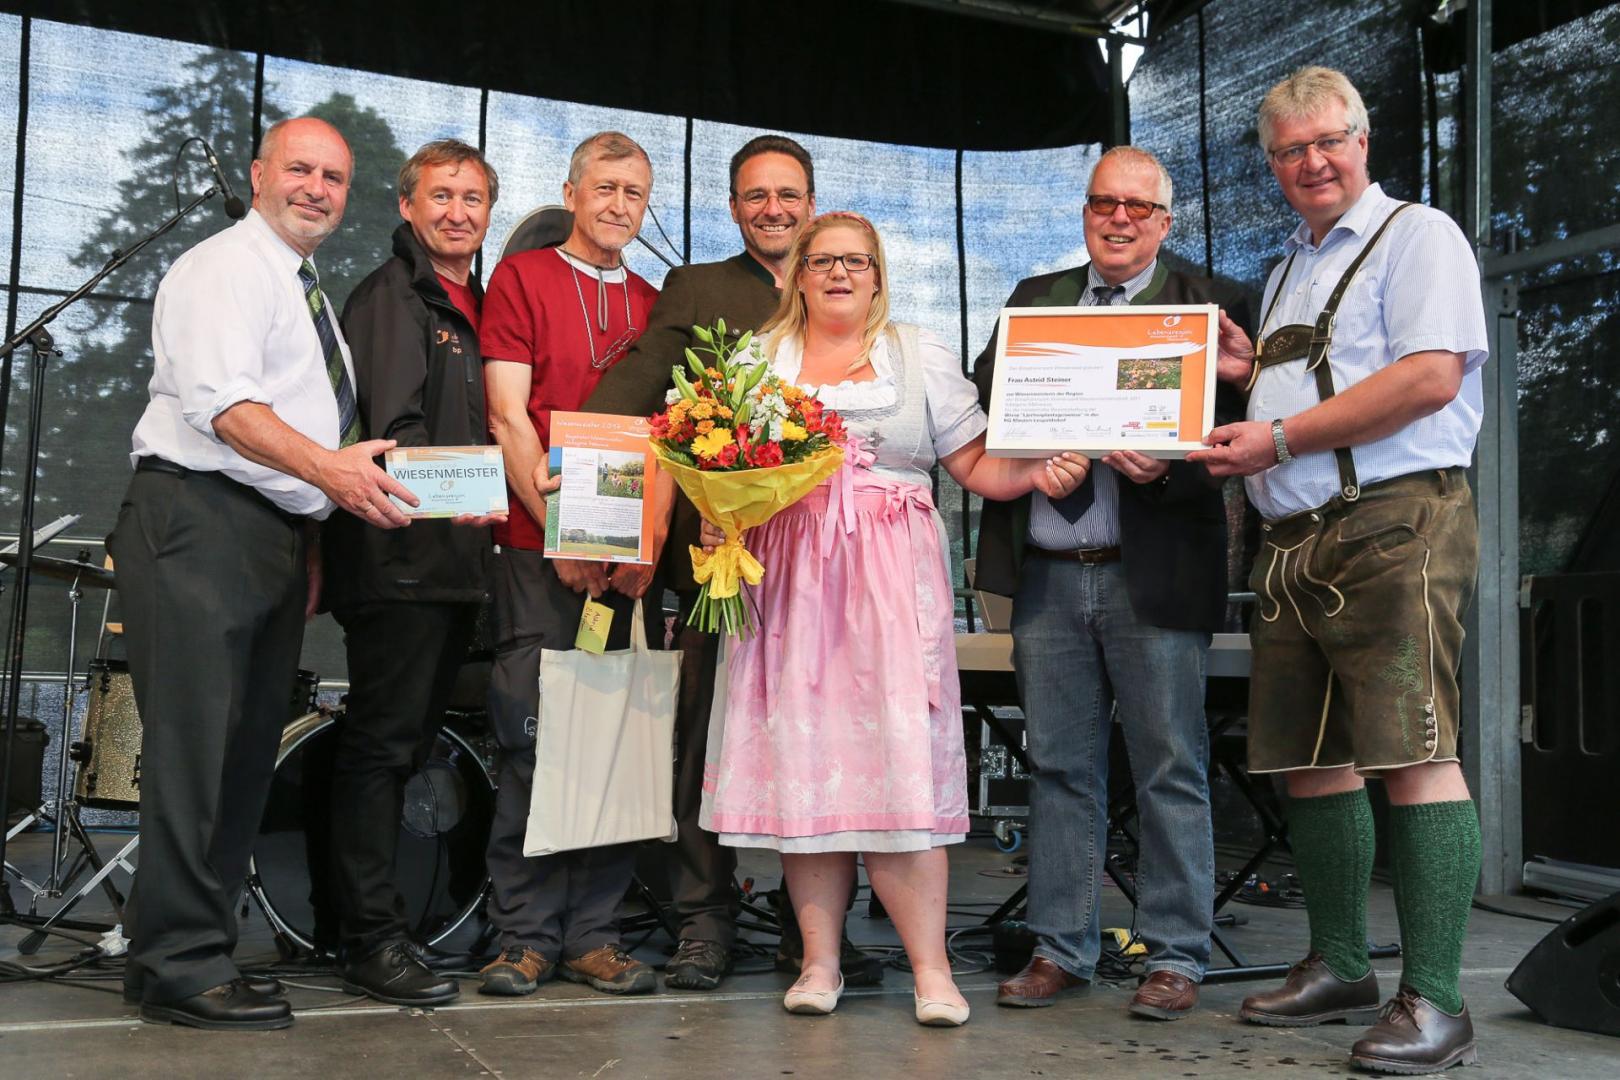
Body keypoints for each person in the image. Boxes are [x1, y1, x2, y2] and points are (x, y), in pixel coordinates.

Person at [699, 212, 1088, 1027]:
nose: (840, 274)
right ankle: (820, 963)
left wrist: (1039, 472)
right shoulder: (757, 359)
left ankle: (932, 972)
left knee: (901, 764)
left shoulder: (919, 353)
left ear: (878, 275)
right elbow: (721, 471)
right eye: (823, 261)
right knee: (806, 764)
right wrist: (715, 515)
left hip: (889, 579)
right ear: (798, 273)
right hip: (793, 581)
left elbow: (975, 464)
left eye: (857, 261)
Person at [1187, 66, 1487, 1075]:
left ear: (1363, 140)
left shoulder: (1418, 235)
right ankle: (1343, 966)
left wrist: (1273, 436)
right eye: (1289, 151)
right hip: (1295, 538)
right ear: (1272, 165)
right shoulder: (1288, 269)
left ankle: (1438, 1000)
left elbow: (1428, 376)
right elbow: (1330, 373)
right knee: (1310, 758)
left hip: (1394, 521)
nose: (1311, 162)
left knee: (1413, 751)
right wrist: (1250, 374)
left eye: (1327, 141)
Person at [109, 117, 417, 1030]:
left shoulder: (298, 286)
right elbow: (225, 408)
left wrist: (310, 537)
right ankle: (179, 963)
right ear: (257, 174)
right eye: (300, 169)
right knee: (196, 754)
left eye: (334, 177)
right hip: (199, 520)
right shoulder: (227, 267)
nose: (317, 188)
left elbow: (301, 427)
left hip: (264, 532)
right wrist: (330, 478)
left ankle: (187, 954)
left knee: (241, 758)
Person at [583, 135, 883, 991]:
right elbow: (635, 392)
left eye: (788, 195)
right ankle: (703, 925)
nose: (774, 210)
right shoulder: (700, 288)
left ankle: (811, 937)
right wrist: (578, 478)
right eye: (757, 196)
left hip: (827, 578)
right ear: (733, 208)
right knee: (704, 748)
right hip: (723, 567)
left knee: (822, 752)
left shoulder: (850, 295)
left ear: (813, 202)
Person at [971, 146, 1252, 1019]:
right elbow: (987, 406)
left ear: (1165, 221)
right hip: (1050, 575)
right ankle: (1061, 948)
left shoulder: (1211, 306)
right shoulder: (1034, 301)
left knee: (1170, 765)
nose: (1119, 219)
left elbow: (1250, 436)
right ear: (1086, 213)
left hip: (1153, 574)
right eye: (1104, 204)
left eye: (1138, 207)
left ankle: (1175, 956)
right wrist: (1029, 454)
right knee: (1059, 768)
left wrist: (1168, 468)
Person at [476, 131, 668, 997]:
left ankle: (593, 934)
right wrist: (563, 532)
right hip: (538, 552)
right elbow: (508, 416)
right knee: (534, 738)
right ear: (573, 192)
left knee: (611, 742)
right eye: (606, 187)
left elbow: (671, 436)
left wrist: (641, 542)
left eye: (635, 192)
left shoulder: (657, 302)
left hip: (625, 566)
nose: (619, 205)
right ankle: (521, 936)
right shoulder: (521, 279)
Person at [320, 139, 505, 1005]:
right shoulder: (393, 296)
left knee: (398, 750)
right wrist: (467, 486)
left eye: (473, 199)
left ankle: (355, 927)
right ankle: (370, 941)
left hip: (449, 566)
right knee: (381, 751)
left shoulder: (475, 301)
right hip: (398, 565)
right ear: (406, 205)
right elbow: (392, 434)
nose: (457, 212)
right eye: (441, 196)